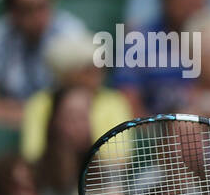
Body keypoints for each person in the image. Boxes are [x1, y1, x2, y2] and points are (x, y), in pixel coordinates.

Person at [20, 31, 131, 162]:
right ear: (66, 73)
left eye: (100, 67)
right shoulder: (39, 103)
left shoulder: (114, 101)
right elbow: (32, 155)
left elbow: (120, 158)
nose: (98, 74)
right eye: (88, 69)